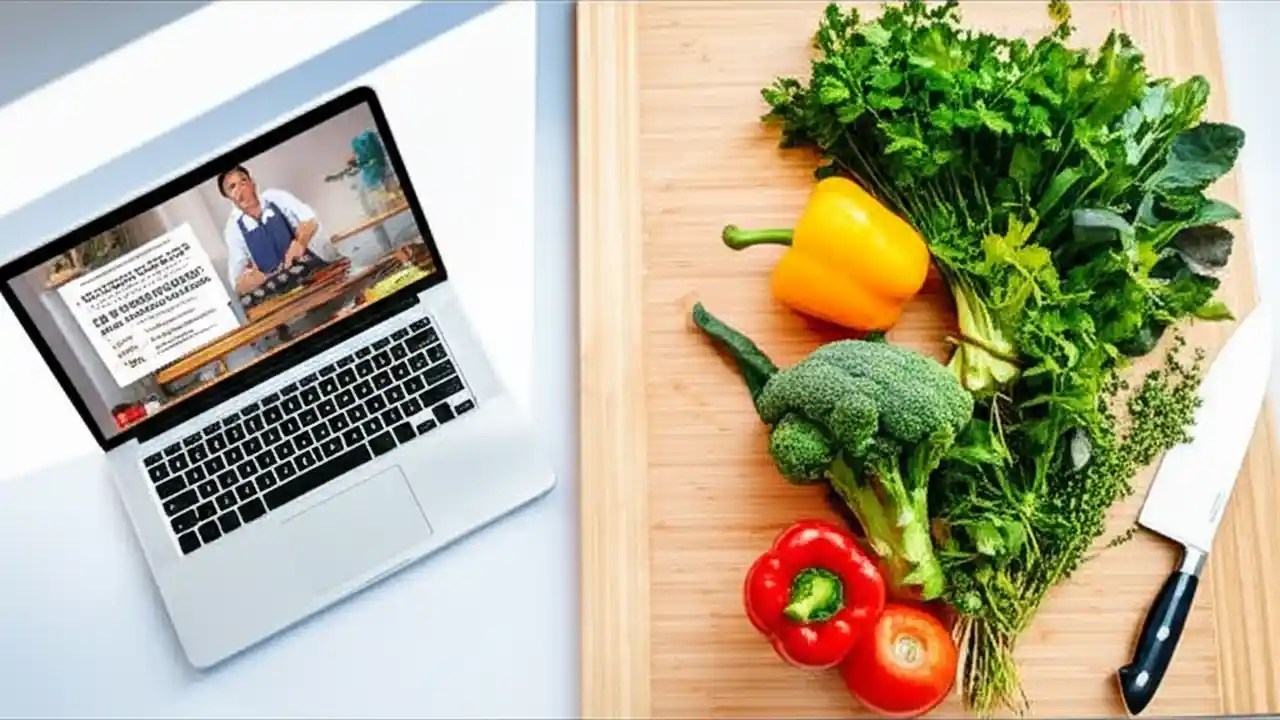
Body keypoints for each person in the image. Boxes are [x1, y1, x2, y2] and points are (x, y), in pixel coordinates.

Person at [216, 165, 337, 294]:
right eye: (232, 187)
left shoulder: (275, 197)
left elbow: (310, 220)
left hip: (315, 274)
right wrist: (251, 280)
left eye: (243, 181)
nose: (241, 189)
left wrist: (299, 243)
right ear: (228, 196)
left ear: (252, 182)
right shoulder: (233, 229)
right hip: (282, 292)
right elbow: (237, 284)